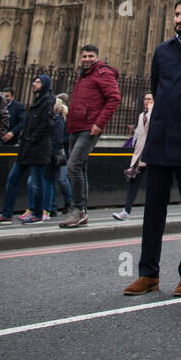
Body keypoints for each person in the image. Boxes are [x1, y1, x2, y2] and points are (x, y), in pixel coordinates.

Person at [123, 0, 181, 298]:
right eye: (177, 14)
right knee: (153, 213)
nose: (179, 19)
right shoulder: (162, 51)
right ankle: (147, 273)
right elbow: (155, 86)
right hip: (160, 141)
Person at [59, 45, 121, 228]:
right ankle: (81, 211)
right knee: (80, 168)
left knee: (73, 166)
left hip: (90, 127)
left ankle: (78, 209)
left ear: (97, 57)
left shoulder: (103, 73)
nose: (86, 59)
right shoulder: (83, 75)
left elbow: (114, 98)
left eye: (90, 56)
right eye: (84, 56)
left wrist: (99, 123)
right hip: (75, 127)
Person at [0, 75, 53, 223]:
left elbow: (46, 126)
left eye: (38, 82)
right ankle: (7, 213)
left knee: (37, 183)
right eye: (34, 81)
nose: (34, 84)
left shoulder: (47, 102)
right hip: (25, 149)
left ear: (45, 85)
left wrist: (31, 139)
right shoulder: (36, 101)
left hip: (37, 149)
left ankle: (39, 214)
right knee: (12, 180)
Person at [112, 93, 154, 220]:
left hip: (152, 154)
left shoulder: (155, 114)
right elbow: (139, 135)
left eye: (149, 99)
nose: (146, 101)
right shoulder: (141, 115)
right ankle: (126, 211)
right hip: (139, 154)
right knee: (134, 183)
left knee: (154, 185)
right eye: (145, 98)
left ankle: (153, 212)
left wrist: (152, 111)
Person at [43, 96, 72, 218]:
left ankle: (68, 202)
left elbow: (67, 138)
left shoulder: (63, 120)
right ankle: (53, 207)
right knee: (53, 180)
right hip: (56, 153)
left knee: (61, 180)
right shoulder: (52, 119)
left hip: (62, 154)